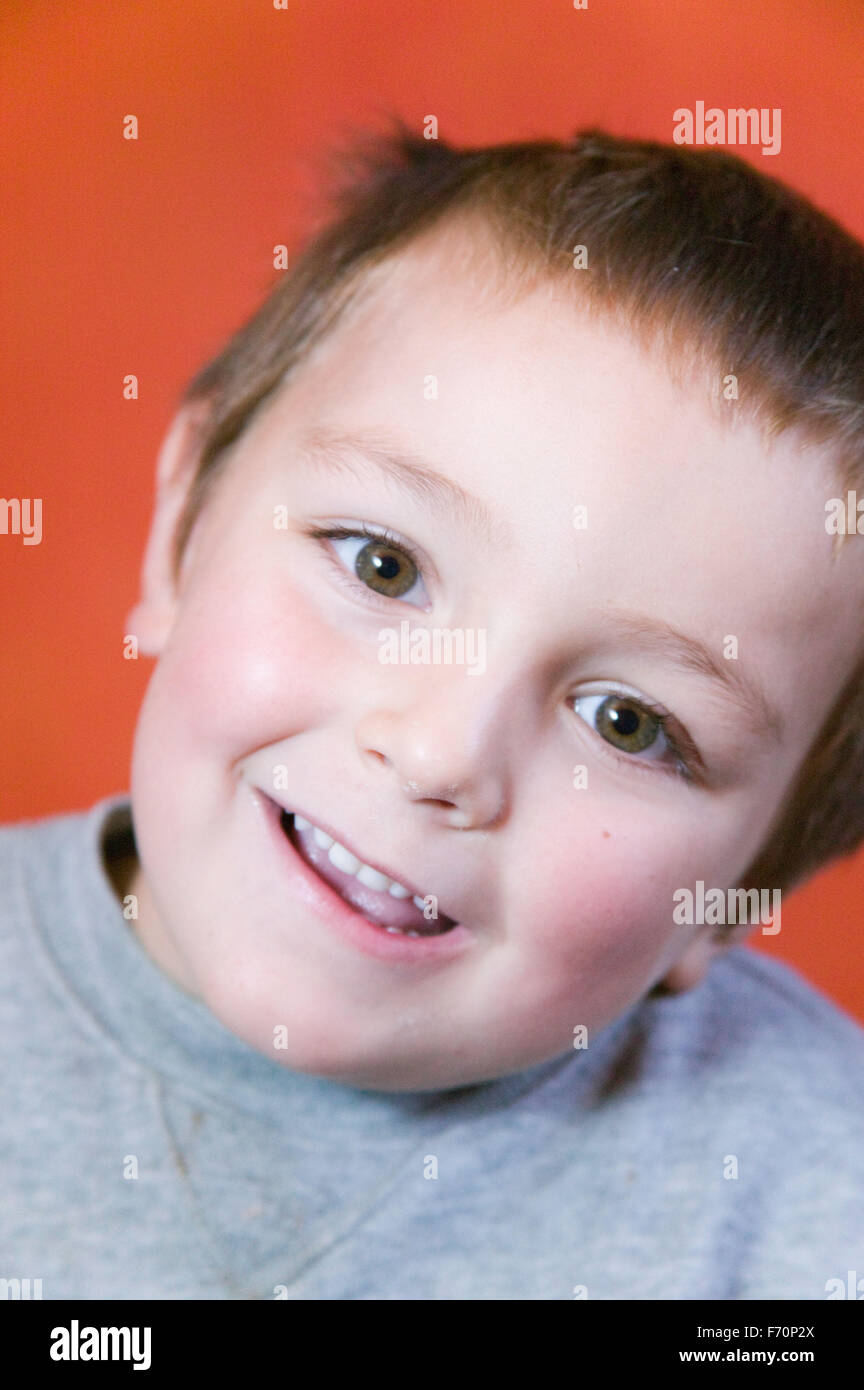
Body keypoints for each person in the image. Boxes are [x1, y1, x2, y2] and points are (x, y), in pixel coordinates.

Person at [3, 125, 864, 1300]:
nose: (438, 750)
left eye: (627, 723)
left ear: (740, 895)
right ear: (184, 525)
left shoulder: (815, 1204)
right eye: (383, 566)